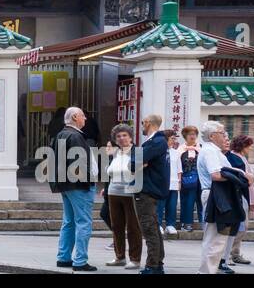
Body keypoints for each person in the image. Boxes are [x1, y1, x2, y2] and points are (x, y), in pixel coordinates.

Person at [48, 107, 98, 272]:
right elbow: (80, 164)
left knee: (69, 222)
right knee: (83, 222)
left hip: (66, 184)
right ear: (75, 117)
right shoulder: (75, 135)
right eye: (83, 116)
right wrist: (88, 183)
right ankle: (80, 261)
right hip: (78, 186)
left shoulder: (61, 133)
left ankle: (63, 258)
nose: (85, 119)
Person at [195, 121, 234, 274]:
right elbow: (216, 175)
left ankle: (209, 269)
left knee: (216, 237)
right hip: (215, 195)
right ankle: (206, 271)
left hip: (215, 194)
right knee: (215, 237)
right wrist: (240, 177)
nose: (225, 136)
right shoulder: (210, 151)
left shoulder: (214, 151)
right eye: (222, 133)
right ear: (212, 136)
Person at [135, 114, 170, 274]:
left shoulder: (156, 142)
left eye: (143, 123)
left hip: (148, 190)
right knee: (153, 228)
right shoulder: (157, 141)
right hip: (150, 189)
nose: (142, 125)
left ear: (148, 123)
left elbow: (134, 161)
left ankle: (153, 265)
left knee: (149, 229)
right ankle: (157, 263)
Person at [104, 124, 142, 270]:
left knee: (133, 227)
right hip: (113, 192)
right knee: (116, 226)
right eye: (118, 136)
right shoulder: (115, 153)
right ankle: (120, 257)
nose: (121, 138)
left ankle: (135, 259)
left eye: (124, 135)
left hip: (130, 192)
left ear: (131, 137)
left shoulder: (137, 152)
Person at [225, 134, 254, 266]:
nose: (250, 148)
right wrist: (250, 178)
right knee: (240, 226)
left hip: (245, 194)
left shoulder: (241, 157)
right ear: (242, 145)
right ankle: (228, 254)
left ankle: (235, 253)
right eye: (249, 146)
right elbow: (241, 177)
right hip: (239, 195)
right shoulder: (234, 157)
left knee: (242, 226)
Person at [175, 125, 202, 230]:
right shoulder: (180, 149)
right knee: (187, 201)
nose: (193, 136)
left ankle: (204, 223)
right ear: (185, 136)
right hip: (186, 179)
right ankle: (186, 223)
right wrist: (179, 181)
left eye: (194, 134)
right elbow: (178, 166)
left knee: (202, 202)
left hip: (200, 179)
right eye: (190, 134)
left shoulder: (201, 147)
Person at [159, 130, 180, 235]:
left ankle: (170, 225)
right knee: (160, 205)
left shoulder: (176, 153)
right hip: (161, 183)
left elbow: (179, 169)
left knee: (172, 205)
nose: (174, 141)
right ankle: (158, 224)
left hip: (174, 183)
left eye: (174, 138)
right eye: (172, 138)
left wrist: (179, 183)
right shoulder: (159, 152)